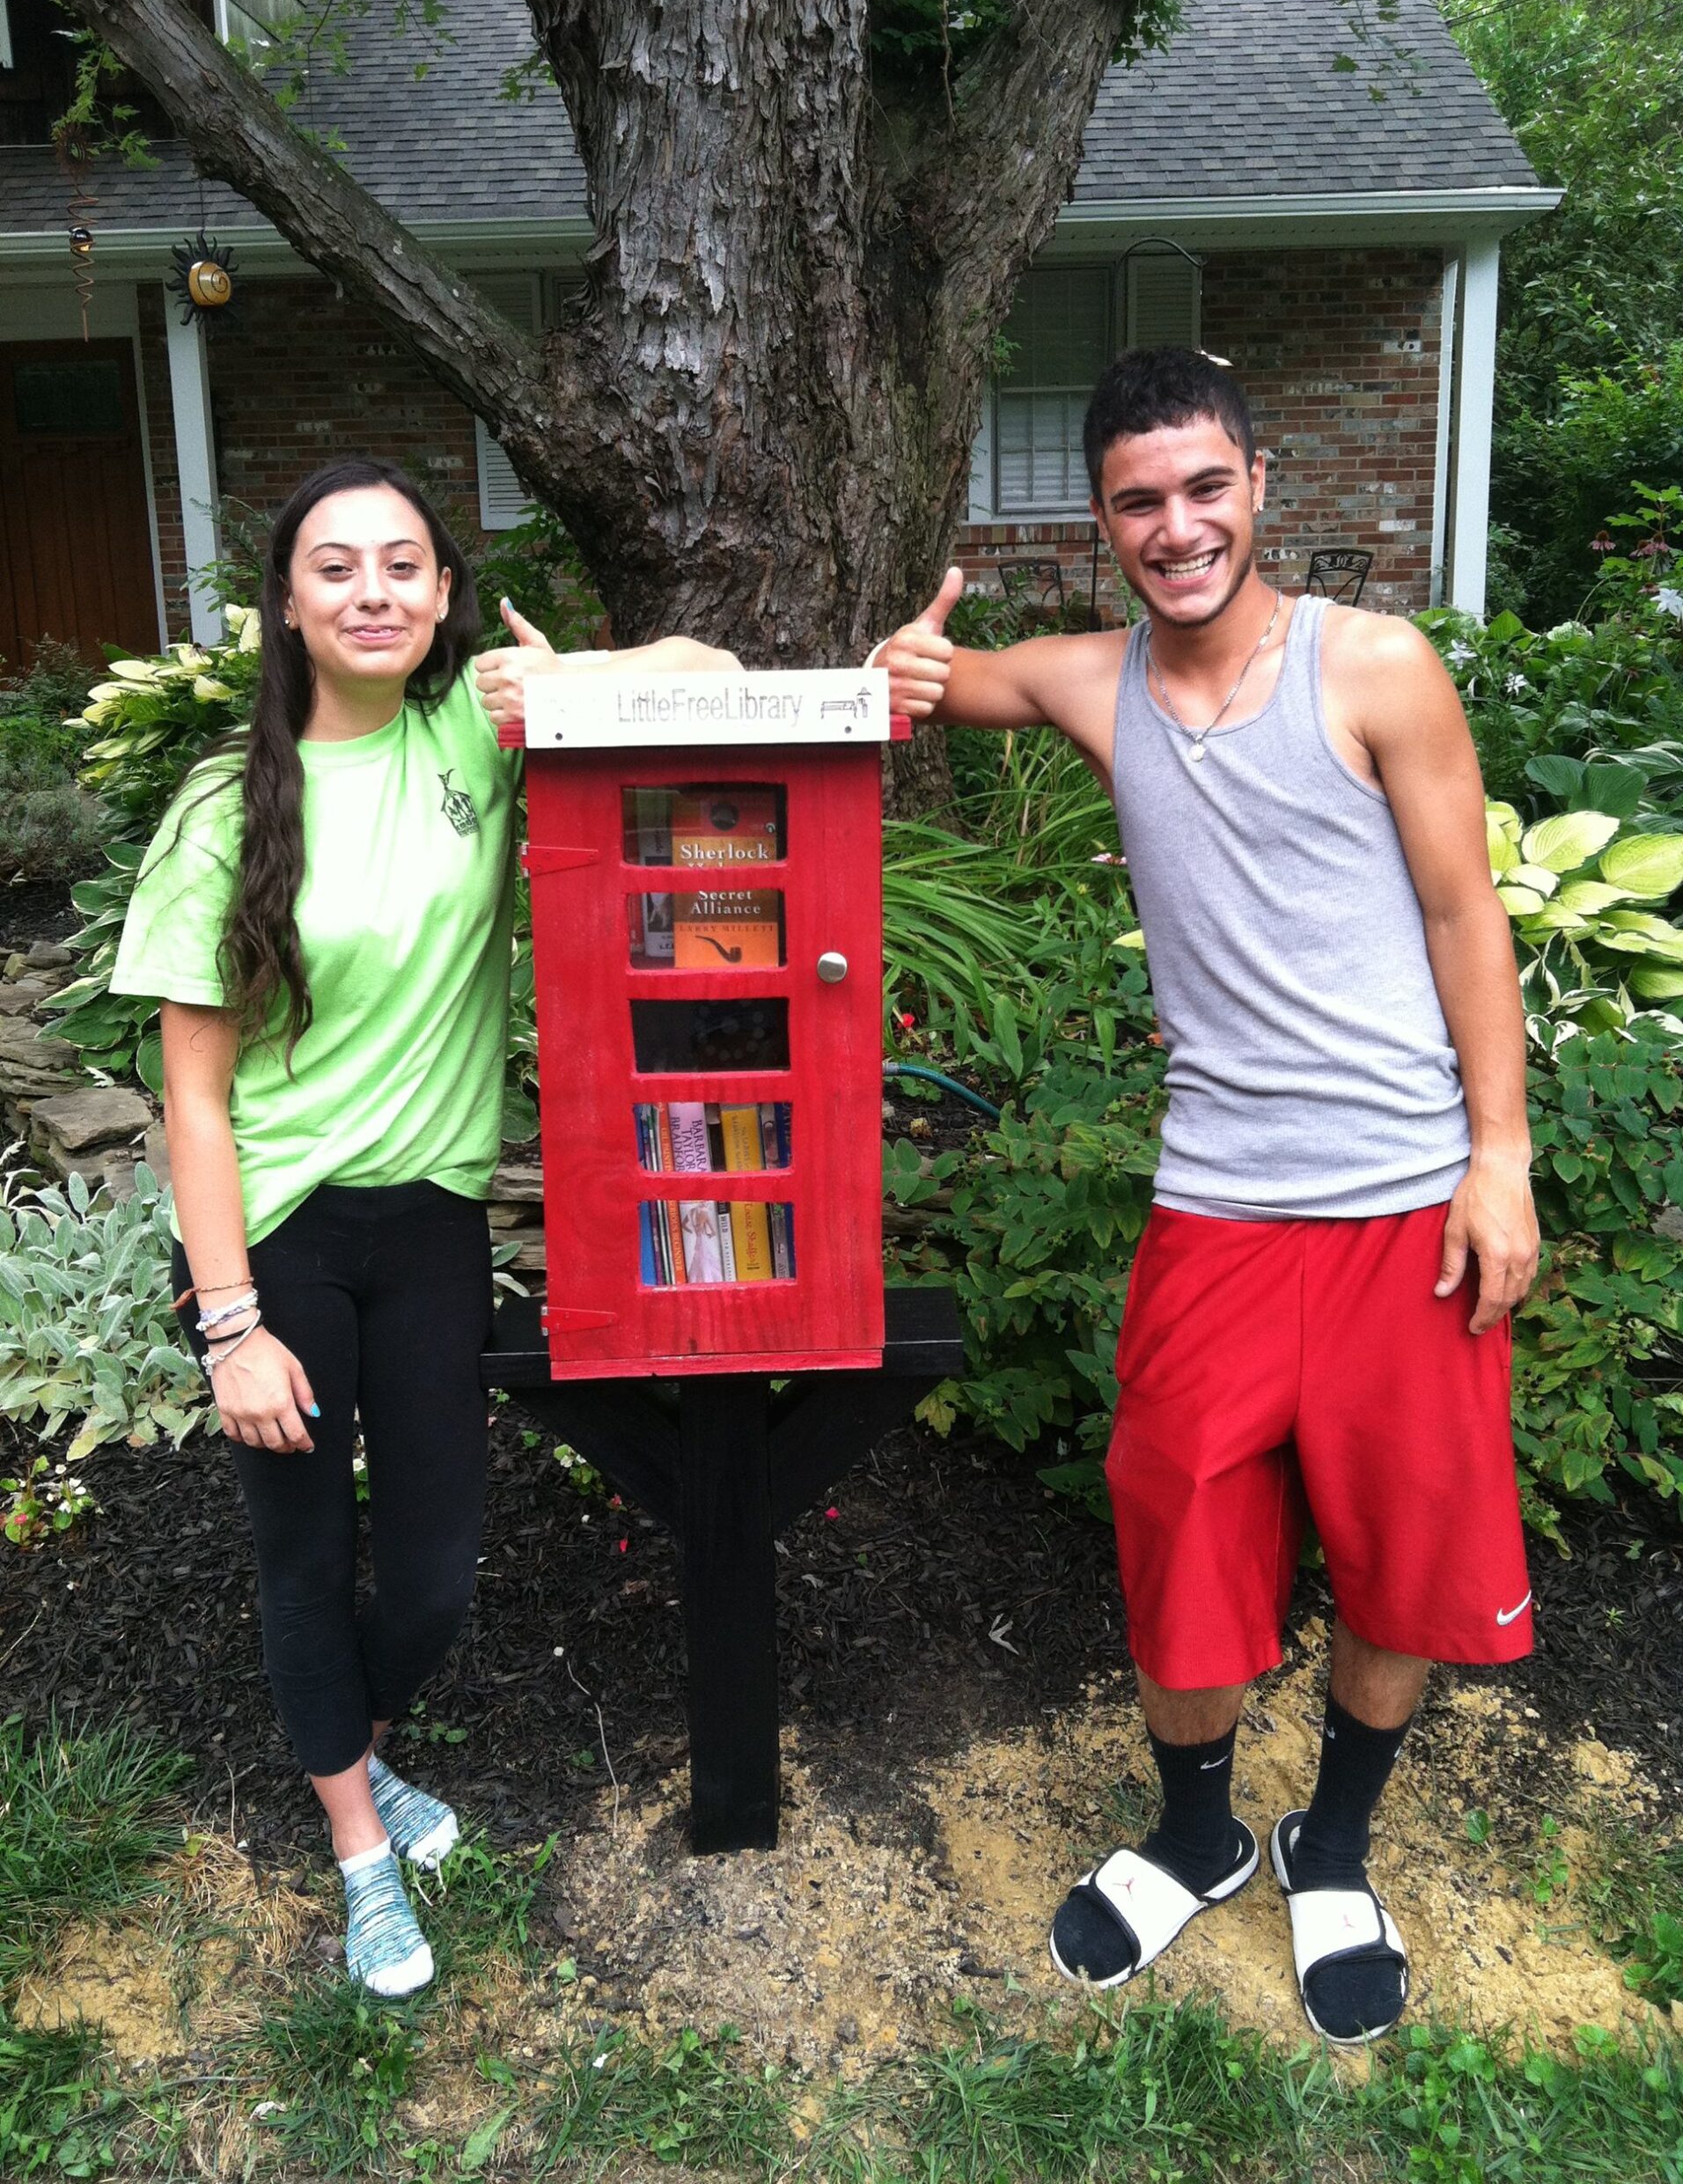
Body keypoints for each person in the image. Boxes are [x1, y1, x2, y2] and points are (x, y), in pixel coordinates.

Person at [875, 347, 1539, 2044]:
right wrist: (904, 665)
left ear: (1258, 487)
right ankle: (1197, 1838)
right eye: (1138, 502)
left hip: (1404, 1205)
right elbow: (943, 683)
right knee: (1180, 1541)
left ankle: (1336, 1845)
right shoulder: (1090, 683)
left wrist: (1501, 1156)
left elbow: (1466, 914)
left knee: (1400, 1560)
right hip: (1218, 1211)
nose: (1176, 528)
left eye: (1203, 489)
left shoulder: (1372, 666)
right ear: (1103, 523)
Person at [113, 457, 736, 1997]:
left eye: (403, 565)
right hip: (279, 1231)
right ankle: (358, 1848)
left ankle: (360, 1747)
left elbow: (709, 671)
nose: (373, 592)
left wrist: (566, 677)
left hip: (434, 1218)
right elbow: (195, 1100)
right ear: (287, 604)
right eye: (335, 568)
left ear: (445, 592)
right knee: (305, 1553)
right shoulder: (221, 810)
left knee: (438, 1571)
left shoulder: (479, 731)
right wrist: (228, 1325)